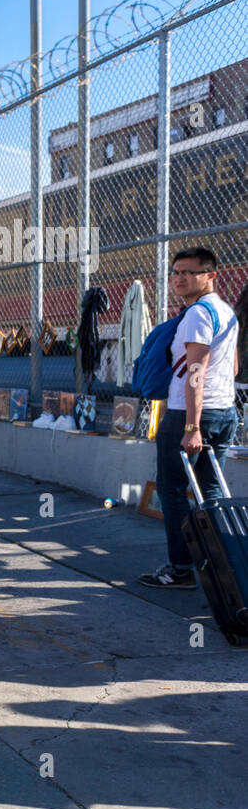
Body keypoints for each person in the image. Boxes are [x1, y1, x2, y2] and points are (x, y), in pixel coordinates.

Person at [139, 247, 240, 589]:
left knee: (171, 488)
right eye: (176, 272)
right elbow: (233, 366)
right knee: (211, 491)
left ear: (211, 275)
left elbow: (196, 371)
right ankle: (229, 566)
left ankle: (179, 568)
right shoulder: (227, 312)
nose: (180, 279)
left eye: (190, 272)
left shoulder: (198, 313)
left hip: (191, 413)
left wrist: (192, 426)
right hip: (225, 410)